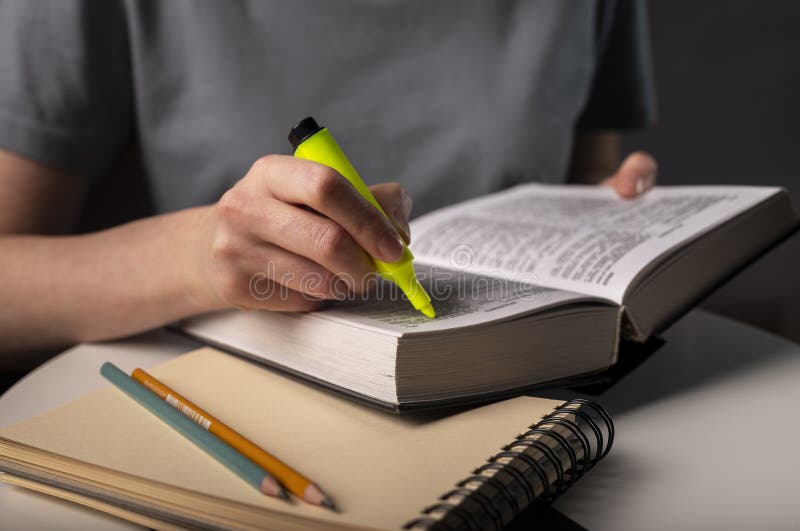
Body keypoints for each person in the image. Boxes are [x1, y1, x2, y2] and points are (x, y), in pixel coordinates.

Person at [0, 0, 658, 362]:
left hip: (544, 393)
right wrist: (196, 257)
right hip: (245, 401)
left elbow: (587, 169)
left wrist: (604, 210)